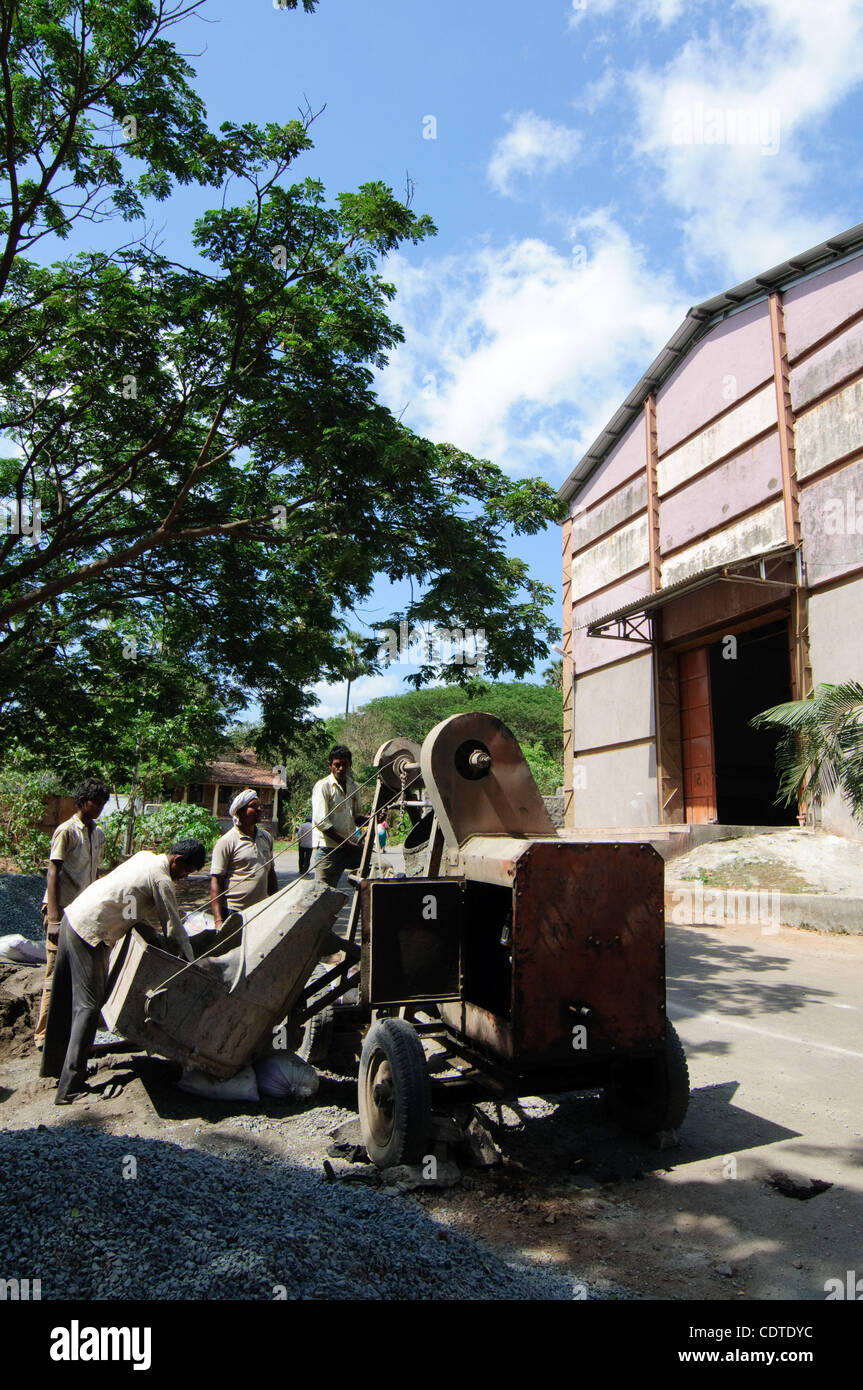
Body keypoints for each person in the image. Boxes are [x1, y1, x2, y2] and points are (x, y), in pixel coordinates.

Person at [42, 839, 206, 1104]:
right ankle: (70, 1088)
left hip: (73, 918)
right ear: (177, 860)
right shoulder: (162, 879)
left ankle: (54, 1069)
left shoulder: (144, 858)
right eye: (186, 871)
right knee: (88, 1007)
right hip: (90, 932)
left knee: (65, 999)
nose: (184, 878)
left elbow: (132, 910)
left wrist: (154, 940)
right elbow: (174, 927)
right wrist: (191, 962)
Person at [35, 779, 110, 1050]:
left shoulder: (97, 834)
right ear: (81, 802)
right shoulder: (66, 831)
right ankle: (43, 1036)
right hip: (63, 910)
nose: (99, 808)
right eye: (95, 802)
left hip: (83, 913)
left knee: (81, 975)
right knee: (55, 973)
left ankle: (69, 1030)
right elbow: (53, 872)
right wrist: (54, 918)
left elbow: (95, 874)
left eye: (103, 803)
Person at [209, 789, 277, 929]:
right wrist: (218, 920)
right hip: (235, 913)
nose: (259, 809)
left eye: (259, 805)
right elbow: (216, 881)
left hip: (261, 910)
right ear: (239, 811)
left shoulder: (266, 838)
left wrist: (275, 903)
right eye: (253, 806)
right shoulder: (226, 842)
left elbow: (270, 873)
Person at [311, 745, 365, 888]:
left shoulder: (354, 786)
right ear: (330, 766)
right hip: (329, 849)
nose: (341, 768)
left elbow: (357, 817)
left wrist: (374, 818)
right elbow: (321, 822)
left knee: (375, 874)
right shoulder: (323, 786)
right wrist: (347, 845)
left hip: (350, 846)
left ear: (350, 765)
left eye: (344, 764)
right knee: (321, 894)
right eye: (337, 765)